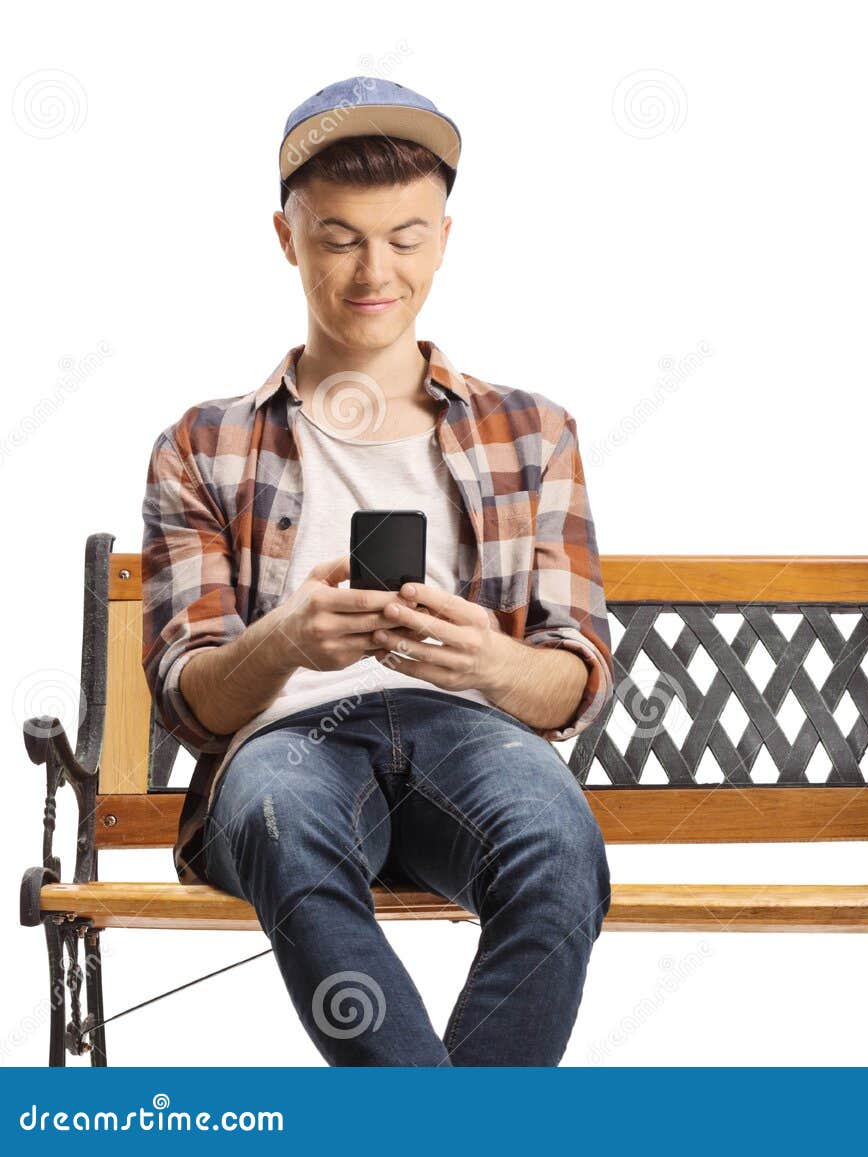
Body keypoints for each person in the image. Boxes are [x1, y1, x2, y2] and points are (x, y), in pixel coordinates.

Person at [141, 77, 614, 1065]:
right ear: (286, 237)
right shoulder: (204, 443)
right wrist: (283, 641)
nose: (373, 271)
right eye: (339, 236)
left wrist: (492, 661)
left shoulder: (533, 431)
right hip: (289, 745)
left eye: (404, 236)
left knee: (562, 851)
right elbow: (193, 701)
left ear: (444, 235)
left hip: (470, 733)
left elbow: (573, 669)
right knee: (282, 821)